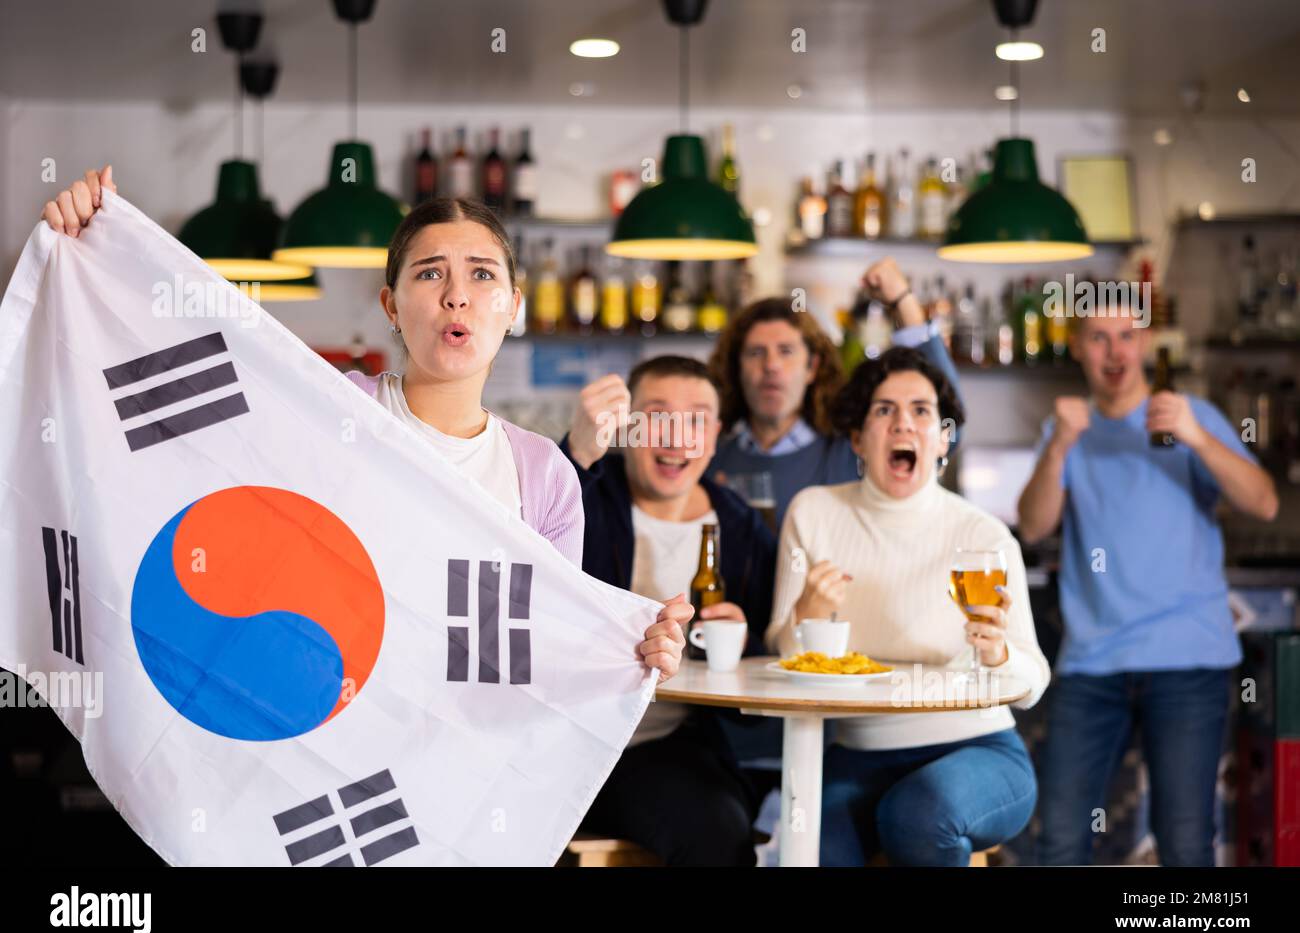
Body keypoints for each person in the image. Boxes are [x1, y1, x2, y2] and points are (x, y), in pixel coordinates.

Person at [41, 165, 687, 686]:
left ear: (514, 307)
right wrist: (98, 255)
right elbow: (189, 437)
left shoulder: (545, 476)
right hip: (311, 721)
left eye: (482, 275)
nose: (456, 295)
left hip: (453, 766)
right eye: (430, 273)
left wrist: (635, 649)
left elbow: (548, 647)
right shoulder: (328, 409)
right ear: (391, 306)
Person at [767, 347, 1049, 866]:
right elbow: (782, 657)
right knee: (807, 836)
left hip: (979, 748)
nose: (904, 423)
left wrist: (997, 657)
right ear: (858, 438)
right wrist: (804, 617)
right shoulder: (816, 512)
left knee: (917, 813)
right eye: (884, 410)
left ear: (944, 439)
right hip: (861, 753)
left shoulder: (982, 536)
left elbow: (1034, 680)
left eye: (922, 411)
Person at [1018, 307, 1278, 867]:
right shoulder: (1066, 428)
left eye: (1127, 337)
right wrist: (1059, 445)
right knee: (1059, 838)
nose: (1114, 352)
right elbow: (1033, 525)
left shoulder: (1191, 415)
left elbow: (1264, 502)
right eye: (1099, 338)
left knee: (1185, 844)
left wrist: (1194, 436)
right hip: (1093, 660)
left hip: (1187, 658)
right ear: (1078, 348)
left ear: (1148, 345)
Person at [560, 355, 777, 866]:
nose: (677, 438)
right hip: (553, 737)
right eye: (657, 416)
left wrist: (744, 648)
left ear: (717, 432)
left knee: (718, 830)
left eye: (696, 419)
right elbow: (520, 535)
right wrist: (576, 451)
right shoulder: (581, 487)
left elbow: (772, 661)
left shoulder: (743, 529)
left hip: (659, 750)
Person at [706, 257, 962, 530]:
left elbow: (947, 419)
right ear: (736, 367)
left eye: (786, 351)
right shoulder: (711, 457)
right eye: (756, 353)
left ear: (812, 367)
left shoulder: (852, 451)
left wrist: (902, 299)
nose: (771, 366)